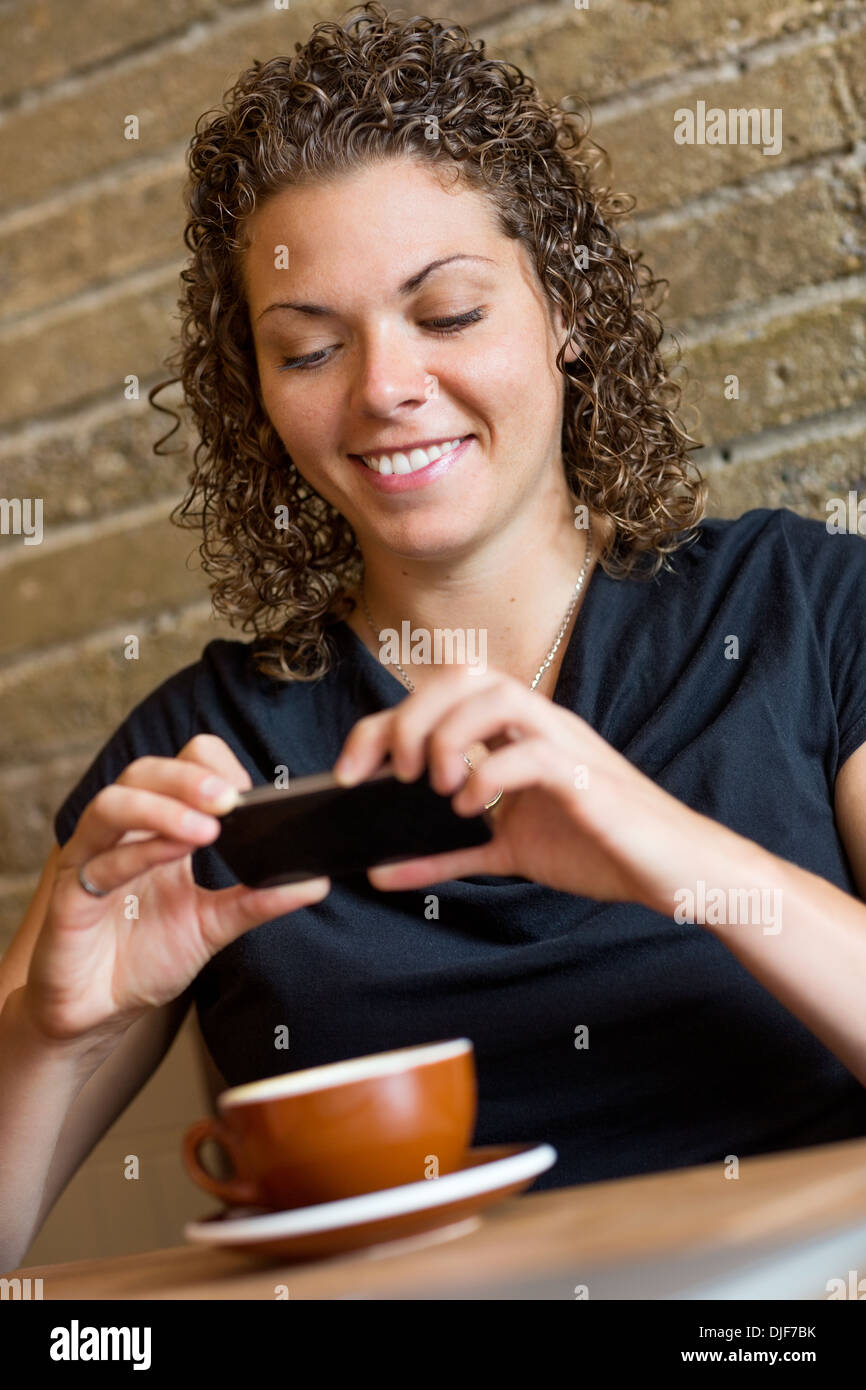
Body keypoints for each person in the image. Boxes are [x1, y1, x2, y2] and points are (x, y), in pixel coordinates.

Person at [3, 2, 866, 1273]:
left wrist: (672, 850)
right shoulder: (203, 755)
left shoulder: (806, 612)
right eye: (308, 348)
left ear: (564, 306)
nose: (384, 388)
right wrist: (54, 1035)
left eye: (448, 312)